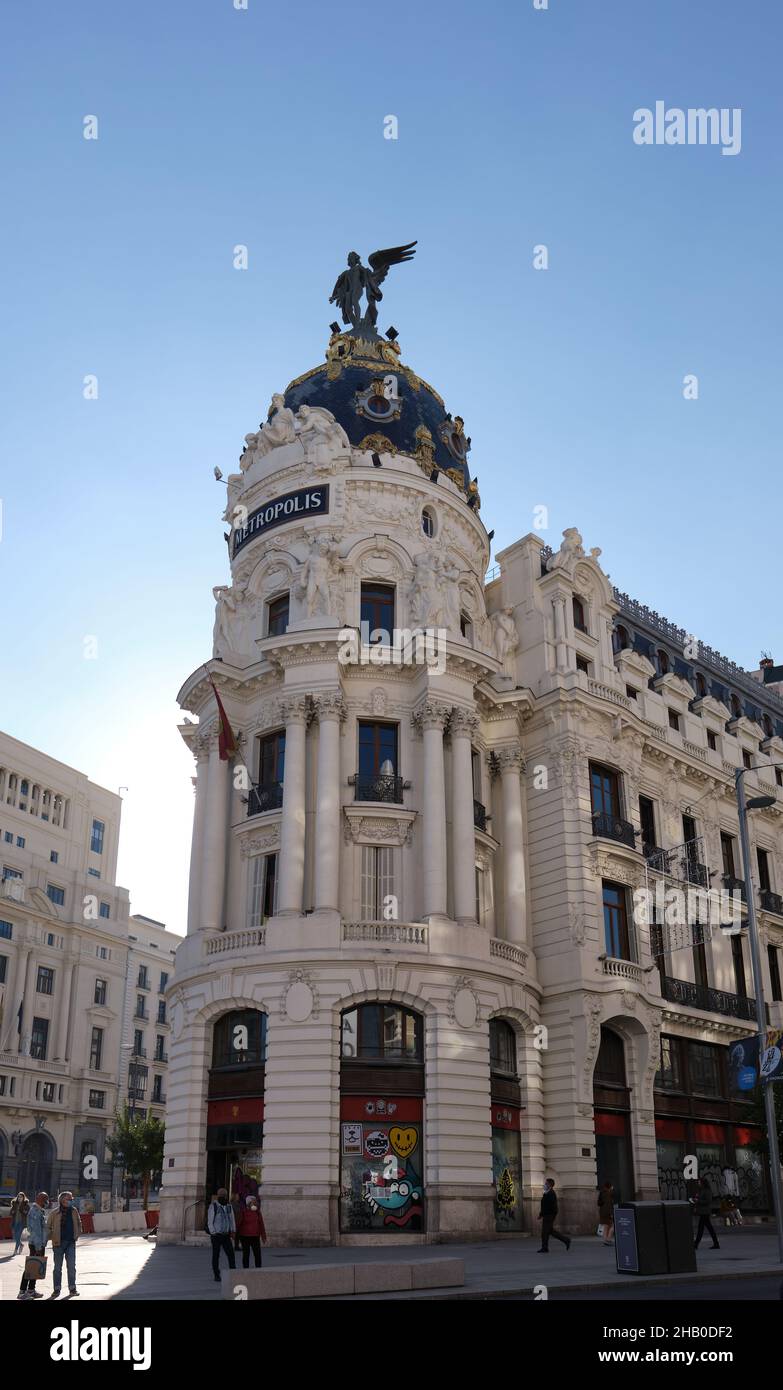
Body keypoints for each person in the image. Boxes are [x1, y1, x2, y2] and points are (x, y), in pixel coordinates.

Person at [48, 1190, 83, 1297]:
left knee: (72, 1267)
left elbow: (79, 1222)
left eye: (72, 1199)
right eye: (69, 1199)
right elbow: (48, 1227)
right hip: (58, 1244)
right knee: (57, 1268)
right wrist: (52, 1237)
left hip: (71, 1243)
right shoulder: (54, 1212)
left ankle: (72, 1288)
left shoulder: (74, 1211)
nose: (72, 1201)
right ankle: (57, 1289)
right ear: (62, 1200)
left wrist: (77, 1234)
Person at [17, 1191, 49, 1300]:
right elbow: (36, 1231)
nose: (47, 1201)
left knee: (36, 1267)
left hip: (39, 1244)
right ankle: (22, 1292)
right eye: (45, 1199)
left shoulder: (41, 1211)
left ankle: (31, 1290)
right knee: (30, 1267)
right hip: (36, 1244)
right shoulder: (35, 1211)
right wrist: (39, 1247)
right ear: (39, 1199)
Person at [207, 1188, 236, 1282]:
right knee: (216, 1255)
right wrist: (213, 1233)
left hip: (226, 1235)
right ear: (219, 1196)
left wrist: (233, 1230)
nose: (224, 1196)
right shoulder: (213, 1206)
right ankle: (216, 1274)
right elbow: (210, 1221)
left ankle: (233, 1272)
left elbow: (232, 1219)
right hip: (217, 1235)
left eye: (225, 1195)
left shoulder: (229, 1206)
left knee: (231, 1254)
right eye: (222, 1195)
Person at [538, 1178, 571, 1254]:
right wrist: (541, 1214)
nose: (544, 1185)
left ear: (549, 1185)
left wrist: (549, 1215)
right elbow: (544, 1206)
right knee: (550, 1231)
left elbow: (552, 1206)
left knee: (545, 1232)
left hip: (549, 1215)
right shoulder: (547, 1193)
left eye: (546, 1183)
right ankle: (566, 1240)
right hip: (547, 1215)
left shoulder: (551, 1193)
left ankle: (545, 1247)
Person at [237, 1196, 267, 1269]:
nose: (256, 1203)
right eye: (254, 1201)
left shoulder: (257, 1212)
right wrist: (235, 1234)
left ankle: (258, 1268)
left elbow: (261, 1224)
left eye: (256, 1202)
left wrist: (263, 1236)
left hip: (255, 1236)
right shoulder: (243, 1211)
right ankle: (245, 1269)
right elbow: (238, 1223)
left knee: (257, 1254)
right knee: (246, 1254)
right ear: (249, 1203)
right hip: (245, 1236)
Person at [693, 1177, 720, 1250]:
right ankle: (716, 1243)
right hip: (702, 1212)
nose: (698, 1183)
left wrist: (698, 1201)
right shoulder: (701, 1190)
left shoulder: (707, 1191)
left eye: (699, 1182)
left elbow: (708, 1201)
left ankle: (696, 1244)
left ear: (703, 1183)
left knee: (701, 1228)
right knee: (708, 1228)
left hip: (705, 1212)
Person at [597, 1181, 615, 1245]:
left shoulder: (602, 1192)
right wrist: (611, 1214)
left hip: (602, 1211)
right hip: (608, 1212)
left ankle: (605, 1240)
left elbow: (599, 1203)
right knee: (613, 1226)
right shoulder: (609, 1194)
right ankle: (608, 1239)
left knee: (606, 1226)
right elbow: (609, 1205)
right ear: (610, 1187)